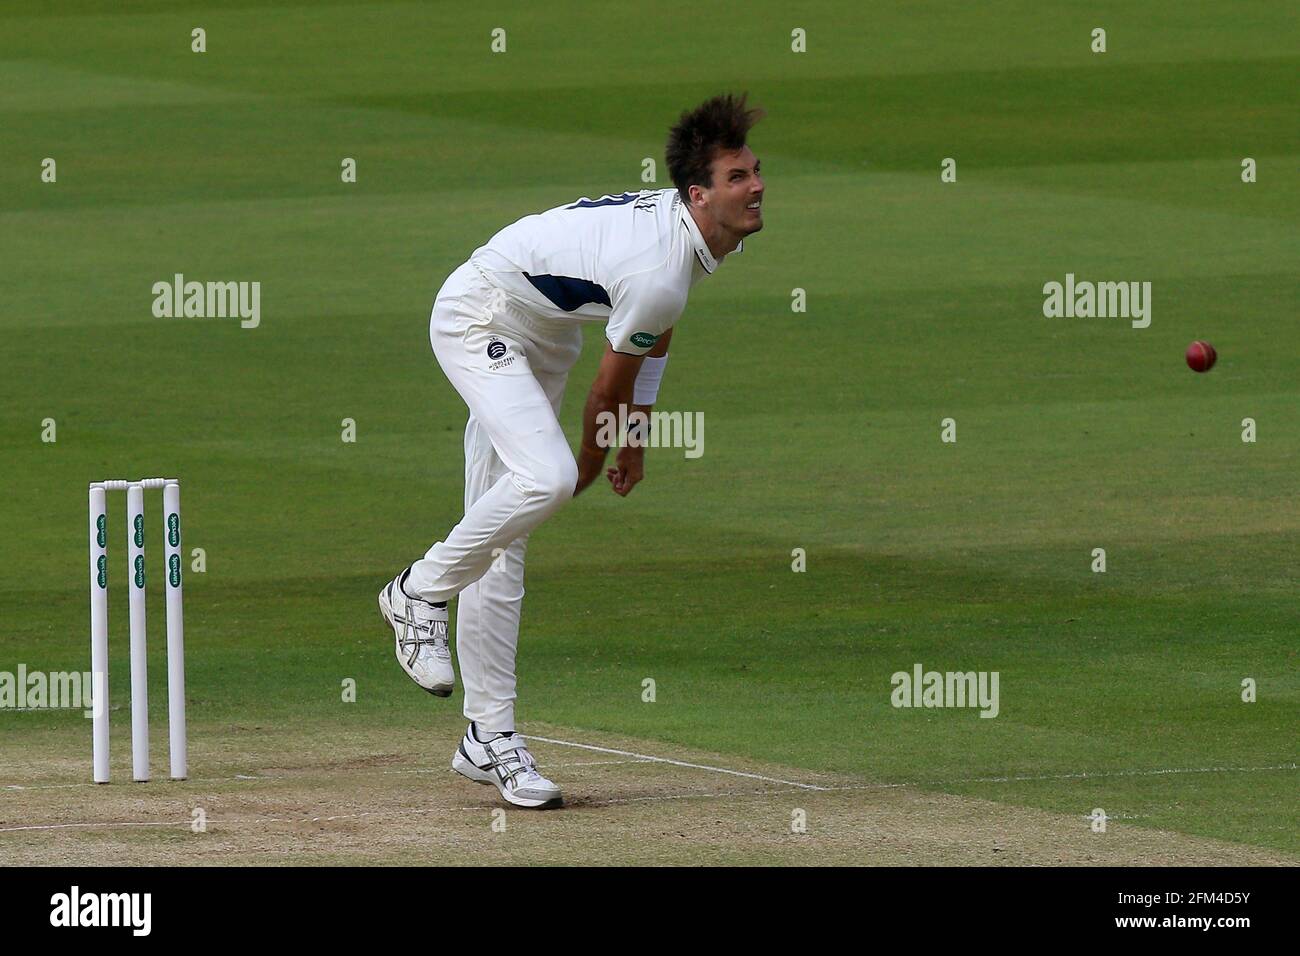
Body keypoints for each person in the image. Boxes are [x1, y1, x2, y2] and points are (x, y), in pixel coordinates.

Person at [379, 92, 765, 808]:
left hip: (547, 326)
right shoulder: (659, 269)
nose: (757, 186)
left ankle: (486, 736)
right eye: (737, 177)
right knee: (549, 476)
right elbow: (604, 393)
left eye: (755, 171)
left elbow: (654, 332)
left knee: (509, 531)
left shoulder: (677, 257)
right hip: (482, 313)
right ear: (697, 194)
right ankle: (416, 591)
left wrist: (637, 440)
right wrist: (591, 462)